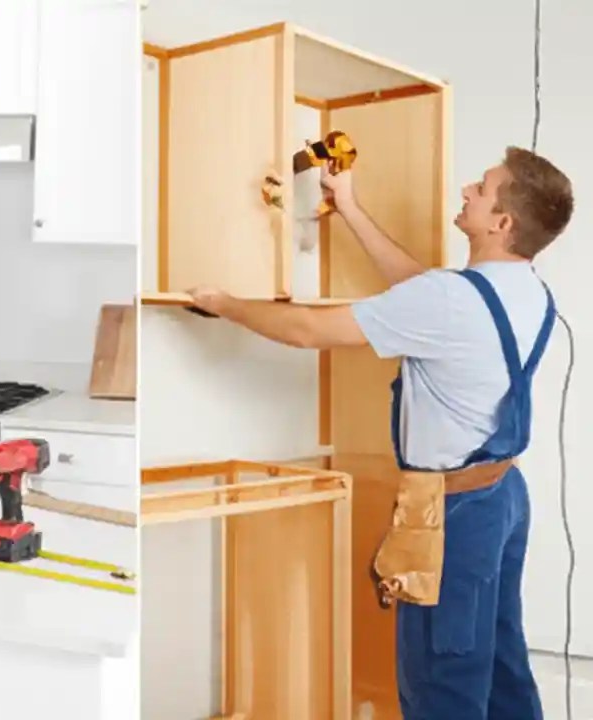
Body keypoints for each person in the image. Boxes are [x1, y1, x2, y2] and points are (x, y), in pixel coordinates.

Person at [186, 146, 573, 720]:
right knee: (498, 665)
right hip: (503, 497)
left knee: (442, 680)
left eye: (483, 187)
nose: (467, 189)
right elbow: (426, 292)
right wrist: (350, 208)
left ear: (502, 222)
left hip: (452, 514)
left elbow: (303, 329)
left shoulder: (450, 300)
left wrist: (223, 304)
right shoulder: (523, 289)